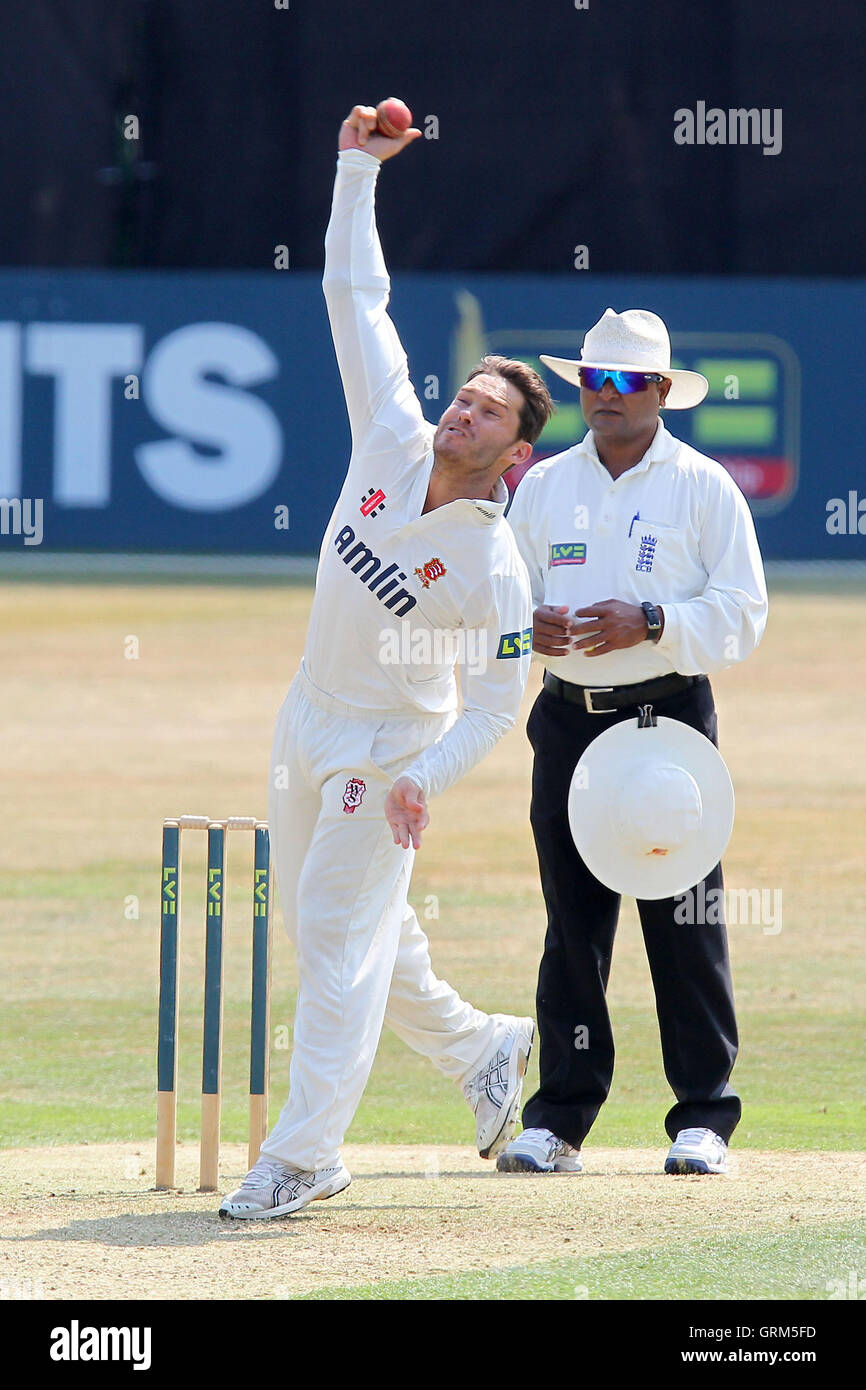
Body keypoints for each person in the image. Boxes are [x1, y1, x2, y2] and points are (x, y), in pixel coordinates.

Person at [219, 104, 554, 1219]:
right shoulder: (389, 435)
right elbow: (353, 299)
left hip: (384, 749)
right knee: (350, 923)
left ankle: (306, 1152)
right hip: (306, 713)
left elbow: (504, 697)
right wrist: (354, 173)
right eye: (464, 394)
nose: (459, 410)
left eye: (485, 411)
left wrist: (426, 776)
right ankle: (482, 1050)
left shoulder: (492, 567)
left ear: (515, 452)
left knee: (332, 935)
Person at [497, 308, 768, 1177]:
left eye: (622, 383)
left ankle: (703, 1116)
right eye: (591, 380)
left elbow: (742, 617)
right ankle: (560, 1119)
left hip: (666, 718)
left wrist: (650, 620)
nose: (604, 397)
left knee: (682, 916)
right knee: (571, 918)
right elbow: (501, 597)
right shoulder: (542, 487)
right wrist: (521, 626)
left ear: (659, 393)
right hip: (568, 715)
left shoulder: (700, 484)